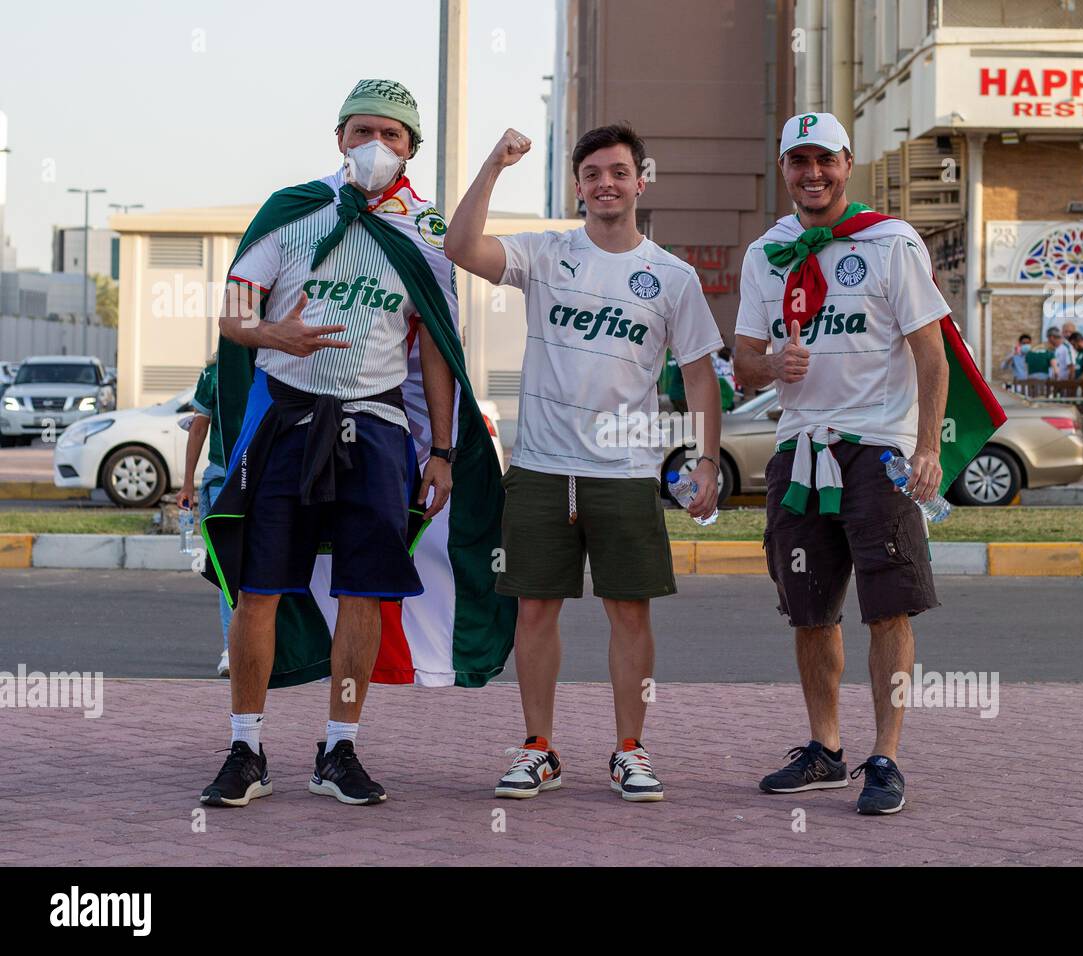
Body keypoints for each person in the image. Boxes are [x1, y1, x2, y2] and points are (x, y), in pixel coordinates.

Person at [198, 79, 465, 808]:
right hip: (286, 419)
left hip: (377, 427)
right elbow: (232, 313)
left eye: (393, 135)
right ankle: (245, 746)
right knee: (259, 589)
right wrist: (268, 332)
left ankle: (339, 749)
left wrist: (442, 449)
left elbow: (437, 349)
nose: (376, 146)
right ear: (338, 136)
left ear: (412, 148)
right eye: (362, 131)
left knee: (364, 593)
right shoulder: (293, 207)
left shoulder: (429, 231)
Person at [444, 123, 723, 802]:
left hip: (626, 471)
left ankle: (631, 750)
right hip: (541, 466)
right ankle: (538, 747)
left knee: (630, 613)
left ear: (639, 181)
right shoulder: (545, 254)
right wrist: (493, 165)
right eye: (593, 173)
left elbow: (698, 376)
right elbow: (458, 247)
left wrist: (706, 459)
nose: (606, 183)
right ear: (578, 186)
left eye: (619, 172)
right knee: (536, 611)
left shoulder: (672, 277)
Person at [733, 112, 950, 815]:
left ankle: (884, 756)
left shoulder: (891, 242)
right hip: (800, 449)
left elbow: (930, 352)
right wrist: (773, 364)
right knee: (810, 611)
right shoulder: (768, 251)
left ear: (847, 163)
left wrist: (926, 447)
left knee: (888, 607)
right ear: (785, 169)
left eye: (823, 159)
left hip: (877, 448)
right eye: (798, 161)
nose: (812, 173)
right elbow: (741, 367)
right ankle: (825, 750)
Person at [179, 355, 230, 677]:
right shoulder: (277, 360)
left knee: (228, 569)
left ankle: (233, 649)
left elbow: (198, 426)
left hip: (223, 478)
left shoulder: (215, 371)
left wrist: (187, 484)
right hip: (267, 479)